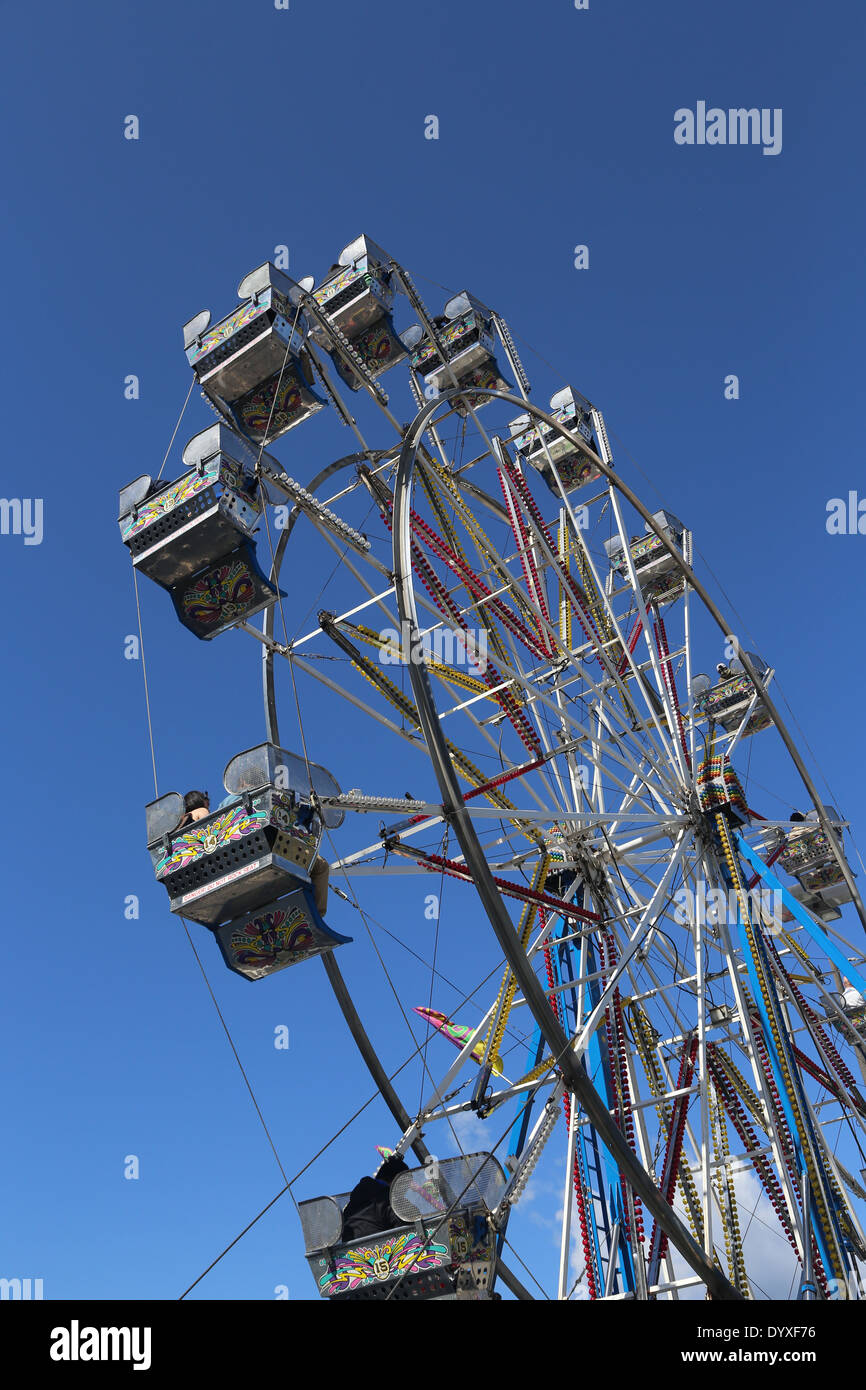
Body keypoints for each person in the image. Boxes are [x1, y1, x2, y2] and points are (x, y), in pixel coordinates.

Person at [341, 1154, 409, 1243]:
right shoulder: (387, 1197)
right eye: (406, 1184)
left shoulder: (353, 1202)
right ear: (399, 1181)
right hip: (381, 1249)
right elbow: (404, 1224)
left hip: (348, 1252)